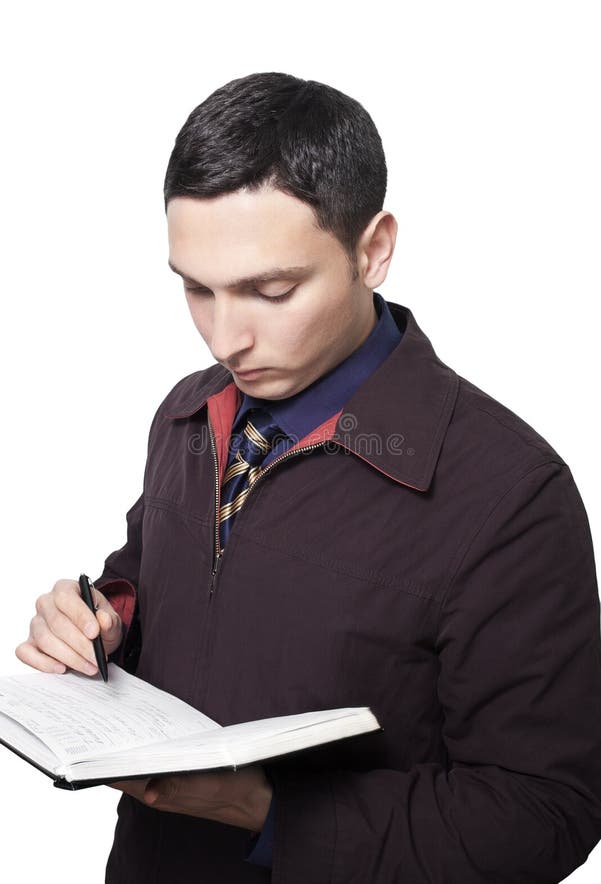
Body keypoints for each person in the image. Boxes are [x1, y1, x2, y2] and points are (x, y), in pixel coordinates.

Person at [15, 71, 601, 883]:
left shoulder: (511, 495)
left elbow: (542, 814)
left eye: (272, 290)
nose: (225, 337)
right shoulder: (190, 411)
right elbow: (154, 582)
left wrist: (262, 810)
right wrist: (100, 621)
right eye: (195, 288)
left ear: (373, 248)